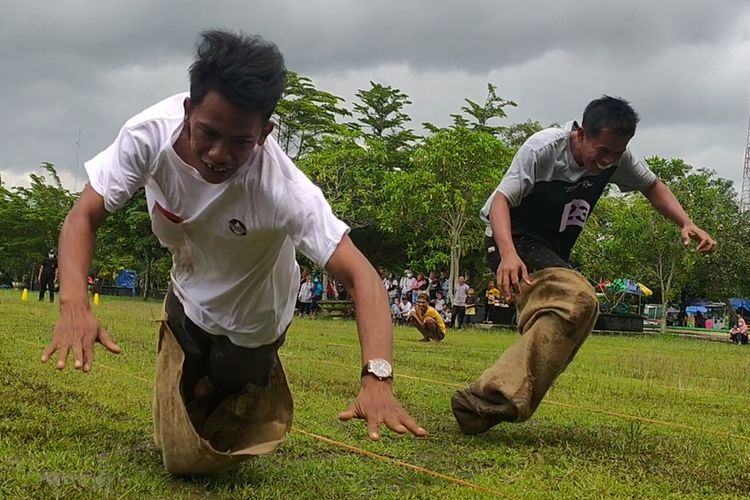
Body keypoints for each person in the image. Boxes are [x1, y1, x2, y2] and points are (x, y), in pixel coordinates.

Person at [40, 30, 425, 474]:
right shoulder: (148, 137)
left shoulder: (284, 189)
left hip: (252, 322)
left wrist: (377, 376)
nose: (219, 154)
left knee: (203, 449)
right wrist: (74, 303)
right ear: (188, 111)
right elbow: (82, 217)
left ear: (264, 132)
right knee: (175, 446)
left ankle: (243, 390)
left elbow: (363, 277)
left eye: (240, 141)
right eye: (208, 132)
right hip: (184, 296)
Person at [451, 95, 717, 435]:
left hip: (549, 250)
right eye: (601, 151)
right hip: (512, 239)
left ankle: (484, 403)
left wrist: (686, 222)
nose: (607, 162)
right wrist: (507, 254)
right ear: (580, 133)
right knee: (581, 297)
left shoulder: (617, 158)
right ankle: (491, 396)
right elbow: (501, 200)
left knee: (579, 312)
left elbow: (653, 186)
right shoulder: (542, 149)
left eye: (616, 155)